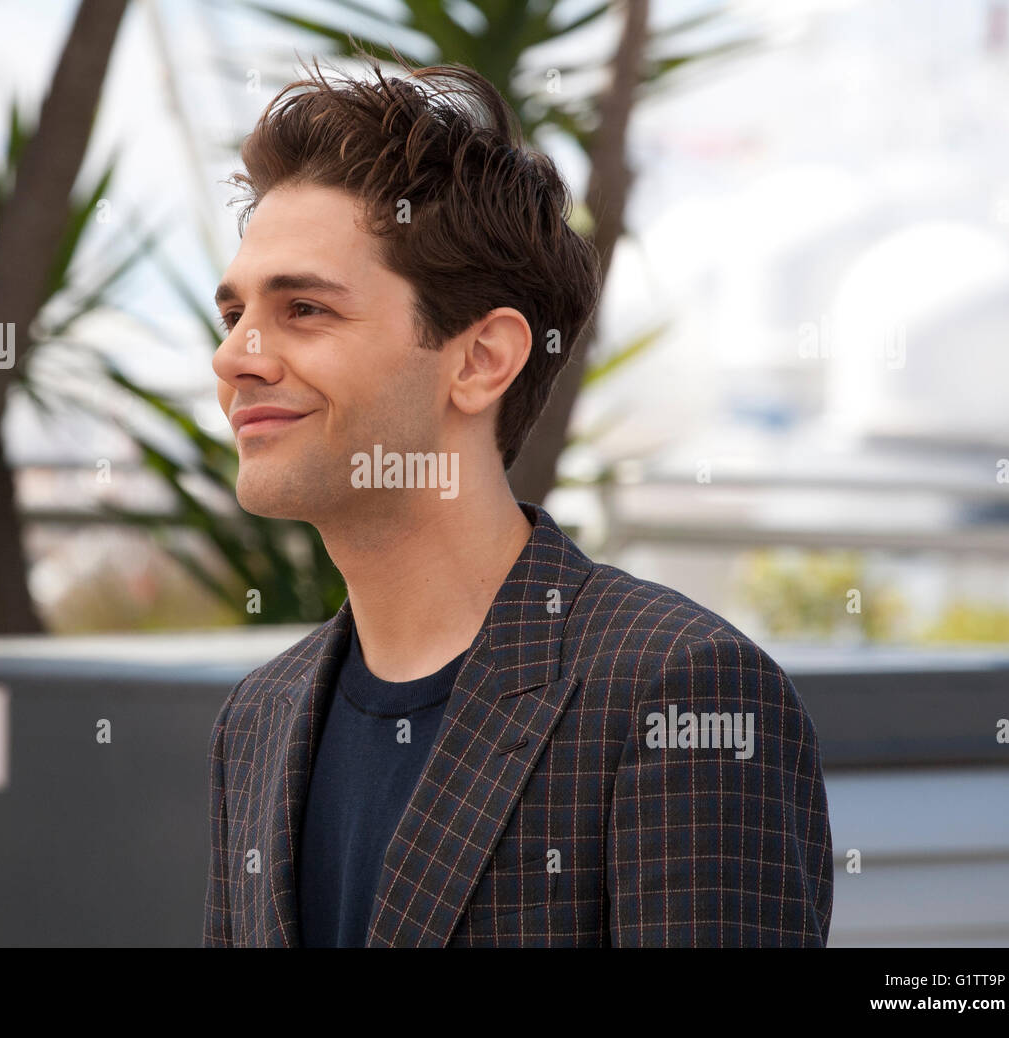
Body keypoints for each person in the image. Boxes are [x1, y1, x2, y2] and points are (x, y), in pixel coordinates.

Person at [202, 55, 832, 947]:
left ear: (481, 359)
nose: (237, 357)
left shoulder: (673, 690)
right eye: (233, 316)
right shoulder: (258, 723)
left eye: (304, 308)